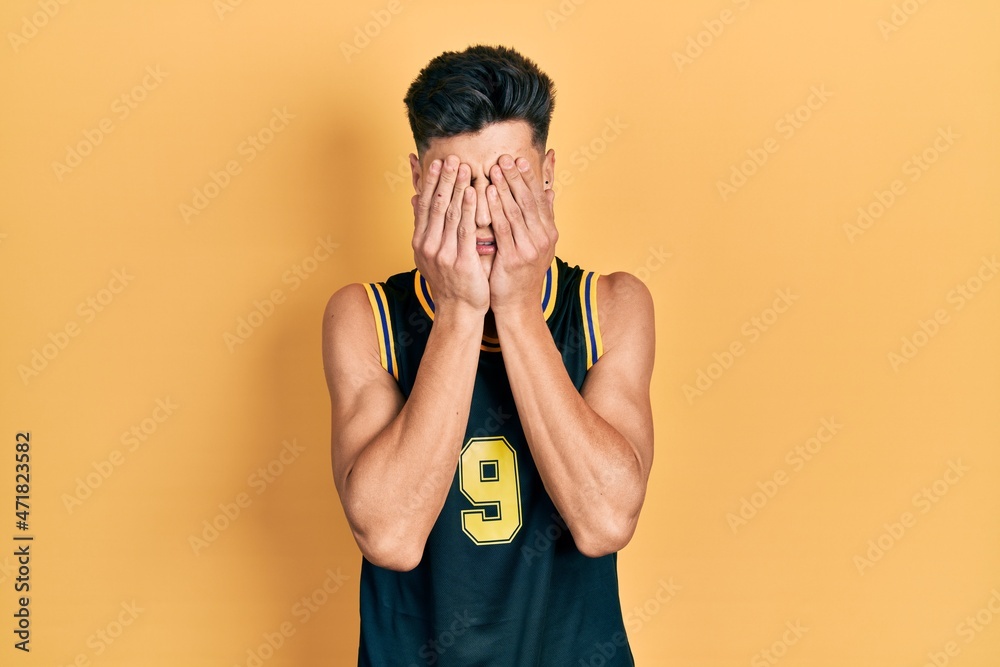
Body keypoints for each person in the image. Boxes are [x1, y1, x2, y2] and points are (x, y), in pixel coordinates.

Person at [322, 44, 655, 666]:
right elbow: (388, 535)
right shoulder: (365, 318)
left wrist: (520, 309)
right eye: (456, 184)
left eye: (507, 180)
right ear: (420, 181)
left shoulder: (609, 307)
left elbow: (606, 520)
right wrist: (459, 311)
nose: (482, 212)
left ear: (547, 174)